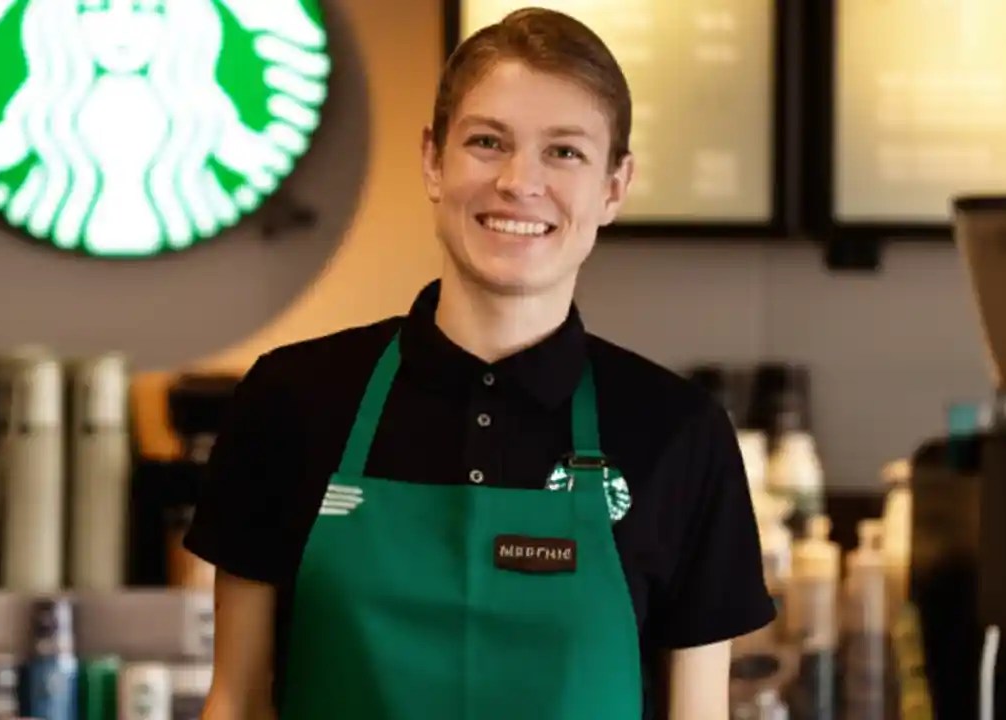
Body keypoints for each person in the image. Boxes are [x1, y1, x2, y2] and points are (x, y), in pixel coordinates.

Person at [185, 7, 774, 719]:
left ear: (614, 187)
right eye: (488, 142)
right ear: (434, 161)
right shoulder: (292, 400)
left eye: (565, 152)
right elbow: (237, 702)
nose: (520, 182)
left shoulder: (679, 434)